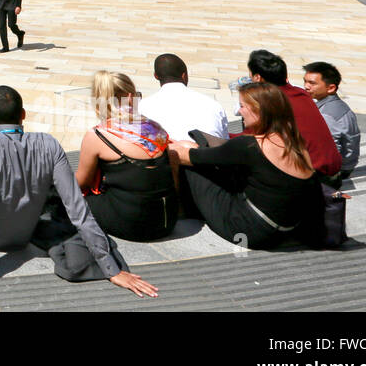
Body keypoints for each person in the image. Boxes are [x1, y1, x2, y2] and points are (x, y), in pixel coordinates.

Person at [0, 86, 159, 306]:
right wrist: (112, 269)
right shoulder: (49, 144)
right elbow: (77, 208)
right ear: (23, 114)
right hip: (24, 234)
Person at [169, 82, 322, 249]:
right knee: (197, 154)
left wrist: (167, 145)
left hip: (250, 231)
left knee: (186, 162)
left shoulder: (249, 145)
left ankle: (175, 213)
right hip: (287, 230)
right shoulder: (295, 141)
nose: (239, 111)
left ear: (258, 110)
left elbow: (188, 157)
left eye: (242, 106)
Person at [74, 71, 178, 242]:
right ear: (131, 97)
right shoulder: (156, 128)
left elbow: (82, 182)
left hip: (132, 225)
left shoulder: (98, 135)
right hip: (167, 221)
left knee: (70, 202)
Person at [246, 50, 341, 180]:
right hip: (332, 170)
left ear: (258, 78)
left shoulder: (268, 104)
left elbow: (247, 141)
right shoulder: (302, 94)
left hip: (310, 177)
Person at [138, 53, 229, 142]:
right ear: (184, 75)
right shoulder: (214, 105)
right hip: (206, 155)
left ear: (156, 76)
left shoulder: (141, 107)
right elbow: (224, 142)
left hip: (161, 155)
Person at [303, 62, 360, 180]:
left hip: (338, 171)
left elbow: (331, 150)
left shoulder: (327, 115)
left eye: (312, 83)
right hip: (347, 165)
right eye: (305, 81)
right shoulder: (339, 106)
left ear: (331, 88)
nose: (306, 86)